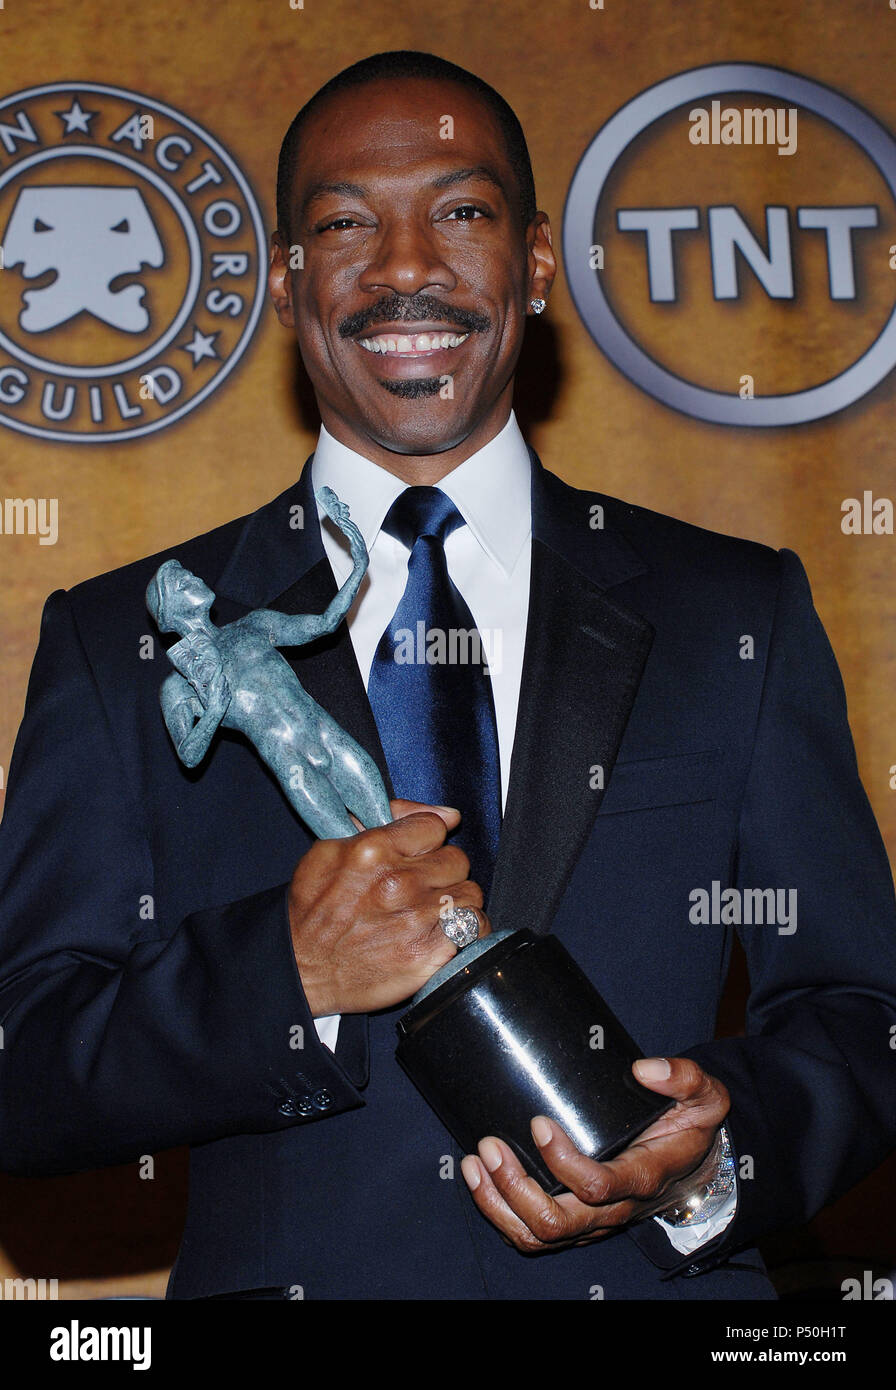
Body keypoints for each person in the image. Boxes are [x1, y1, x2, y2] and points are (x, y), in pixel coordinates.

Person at [0, 49, 893, 1301]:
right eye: (345, 222)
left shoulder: (731, 612)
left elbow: (862, 1011)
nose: (406, 265)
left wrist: (708, 1166)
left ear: (533, 264)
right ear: (285, 281)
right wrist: (289, 975)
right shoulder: (120, 642)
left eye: (459, 212)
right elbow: (24, 1068)